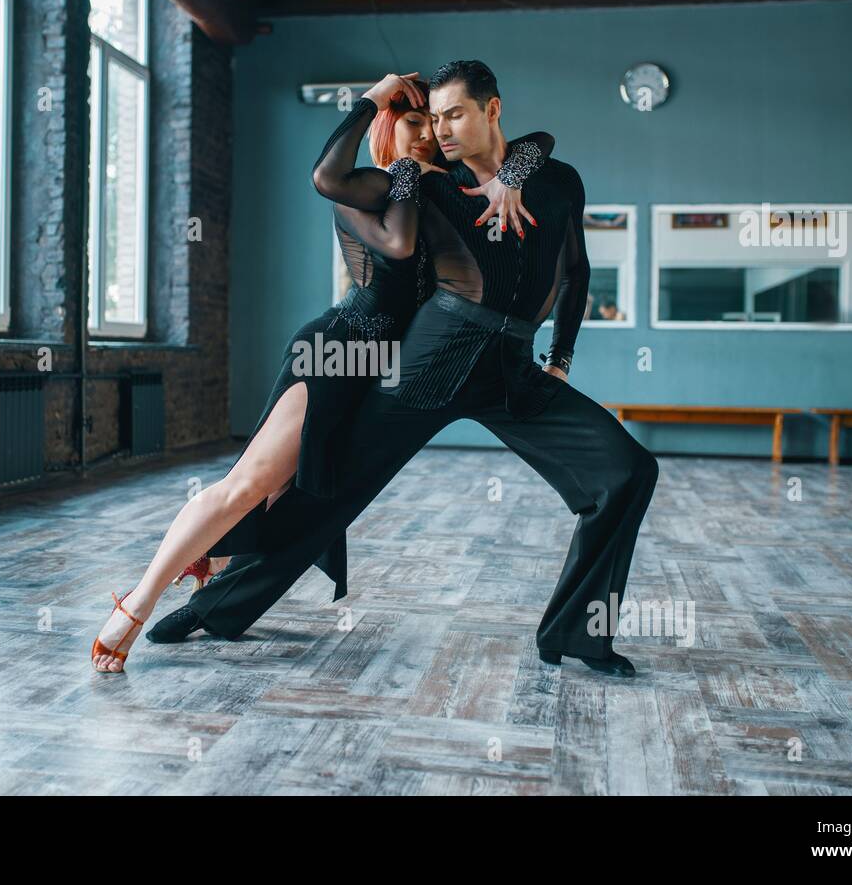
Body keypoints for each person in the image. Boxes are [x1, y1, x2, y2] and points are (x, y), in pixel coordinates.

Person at [149, 60, 659, 678]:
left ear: (492, 110)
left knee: (628, 470)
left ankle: (575, 634)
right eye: (434, 116)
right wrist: (372, 100)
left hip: (513, 369)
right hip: (431, 359)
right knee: (332, 491)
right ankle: (212, 606)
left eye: (454, 114)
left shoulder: (556, 181)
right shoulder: (428, 182)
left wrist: (561, 358)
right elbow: (329, 177)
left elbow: (574, 269)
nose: (440, 129)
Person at [90, 71, 555, 672]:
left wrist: (509, 175)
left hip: (382, 367)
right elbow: (376, 223)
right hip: (340, 352)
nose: (426, 136)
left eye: (432, 126)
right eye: (412, 123)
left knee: (286, 494)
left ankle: (213, 566)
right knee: (248, 485)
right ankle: (137, 602)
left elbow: (541, 139)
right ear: (387, 131)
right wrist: (377, 99)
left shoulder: (443, 188)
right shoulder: (370, 187)